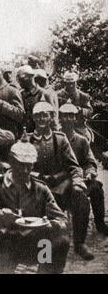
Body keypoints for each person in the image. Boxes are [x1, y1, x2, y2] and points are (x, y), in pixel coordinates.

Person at [0, 137, 70, 274]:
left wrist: (52, 225)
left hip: (31, 245)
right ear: (11, 162)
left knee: (60, 241)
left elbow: (63, 220)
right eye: (21, 165)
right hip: (1, 245)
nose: (25, 171)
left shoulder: (41, 189)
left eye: (30, 166)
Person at [28, 100, 94, 260]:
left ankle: (79, 243)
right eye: (38, 116)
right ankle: (41, 252)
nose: (42, 119)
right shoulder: (27, 140)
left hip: (60, 190)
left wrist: (78, 182)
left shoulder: (60, 139)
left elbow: (74, 166)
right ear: (33, 119)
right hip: (36, 190)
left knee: (81, 198)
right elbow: (20, 168)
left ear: (51, 118)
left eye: (45, 115)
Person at [59, 101, 108, 236]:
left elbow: (89, 161)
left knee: (97, 187)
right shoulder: (56, 139)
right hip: (60, 181)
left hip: (80, 179)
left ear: (75, 118)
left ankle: (100, 223)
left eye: (71, 116)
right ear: (60, 118)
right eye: (64, 116)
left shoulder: (82, 140)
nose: (68, 119)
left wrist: (89, 173)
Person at [16, 65, 59, 132]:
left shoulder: (45, 94)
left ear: (31, 77)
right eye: (18, 80)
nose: (20, 82)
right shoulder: (20, 94)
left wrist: (55, 136)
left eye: (22, 79)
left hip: (42, 134)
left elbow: (53, 118)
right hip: (25, 135)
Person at [58, 71, 93, 142]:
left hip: (78, 126)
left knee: (86, 139)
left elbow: (89, 111)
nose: (70, 86)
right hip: (62, 125)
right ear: (64, 83)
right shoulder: (58, 95)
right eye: (68, 83)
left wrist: (80, 110)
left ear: (76, 82)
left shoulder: (83, 96)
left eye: (72, 83)